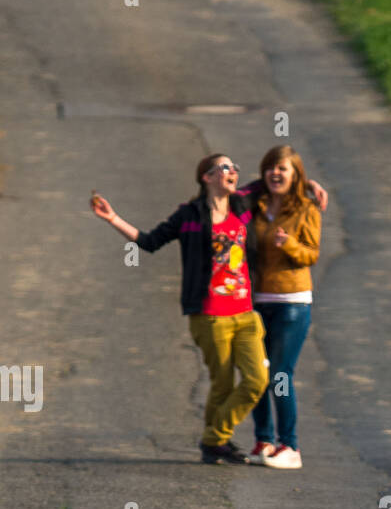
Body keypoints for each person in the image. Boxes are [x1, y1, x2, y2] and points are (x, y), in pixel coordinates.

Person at [90, 156, 327, 465]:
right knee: (224, 382)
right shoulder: (189, 215)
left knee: (257, 380)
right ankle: (217, 444)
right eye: (225, 168)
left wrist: (306, 183)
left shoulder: (242, 205)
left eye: (234, 168)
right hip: (210, 314)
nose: (233, 172)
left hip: (246, 312)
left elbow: (271, 181)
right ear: (206, 177)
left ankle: (214, 438)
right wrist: (112, 219)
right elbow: (149, 241)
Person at [248, 144, 321, 469]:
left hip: (292, 302)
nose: (276, 174)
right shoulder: (255, 205)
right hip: (257, 299)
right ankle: (263, 440)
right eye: (271, 168)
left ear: (295, 175)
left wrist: (289, 244)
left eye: (283, 169)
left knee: (280, 373)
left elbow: (311, 254)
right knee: (258, 372)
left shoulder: (307, 208)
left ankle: (290, 446)